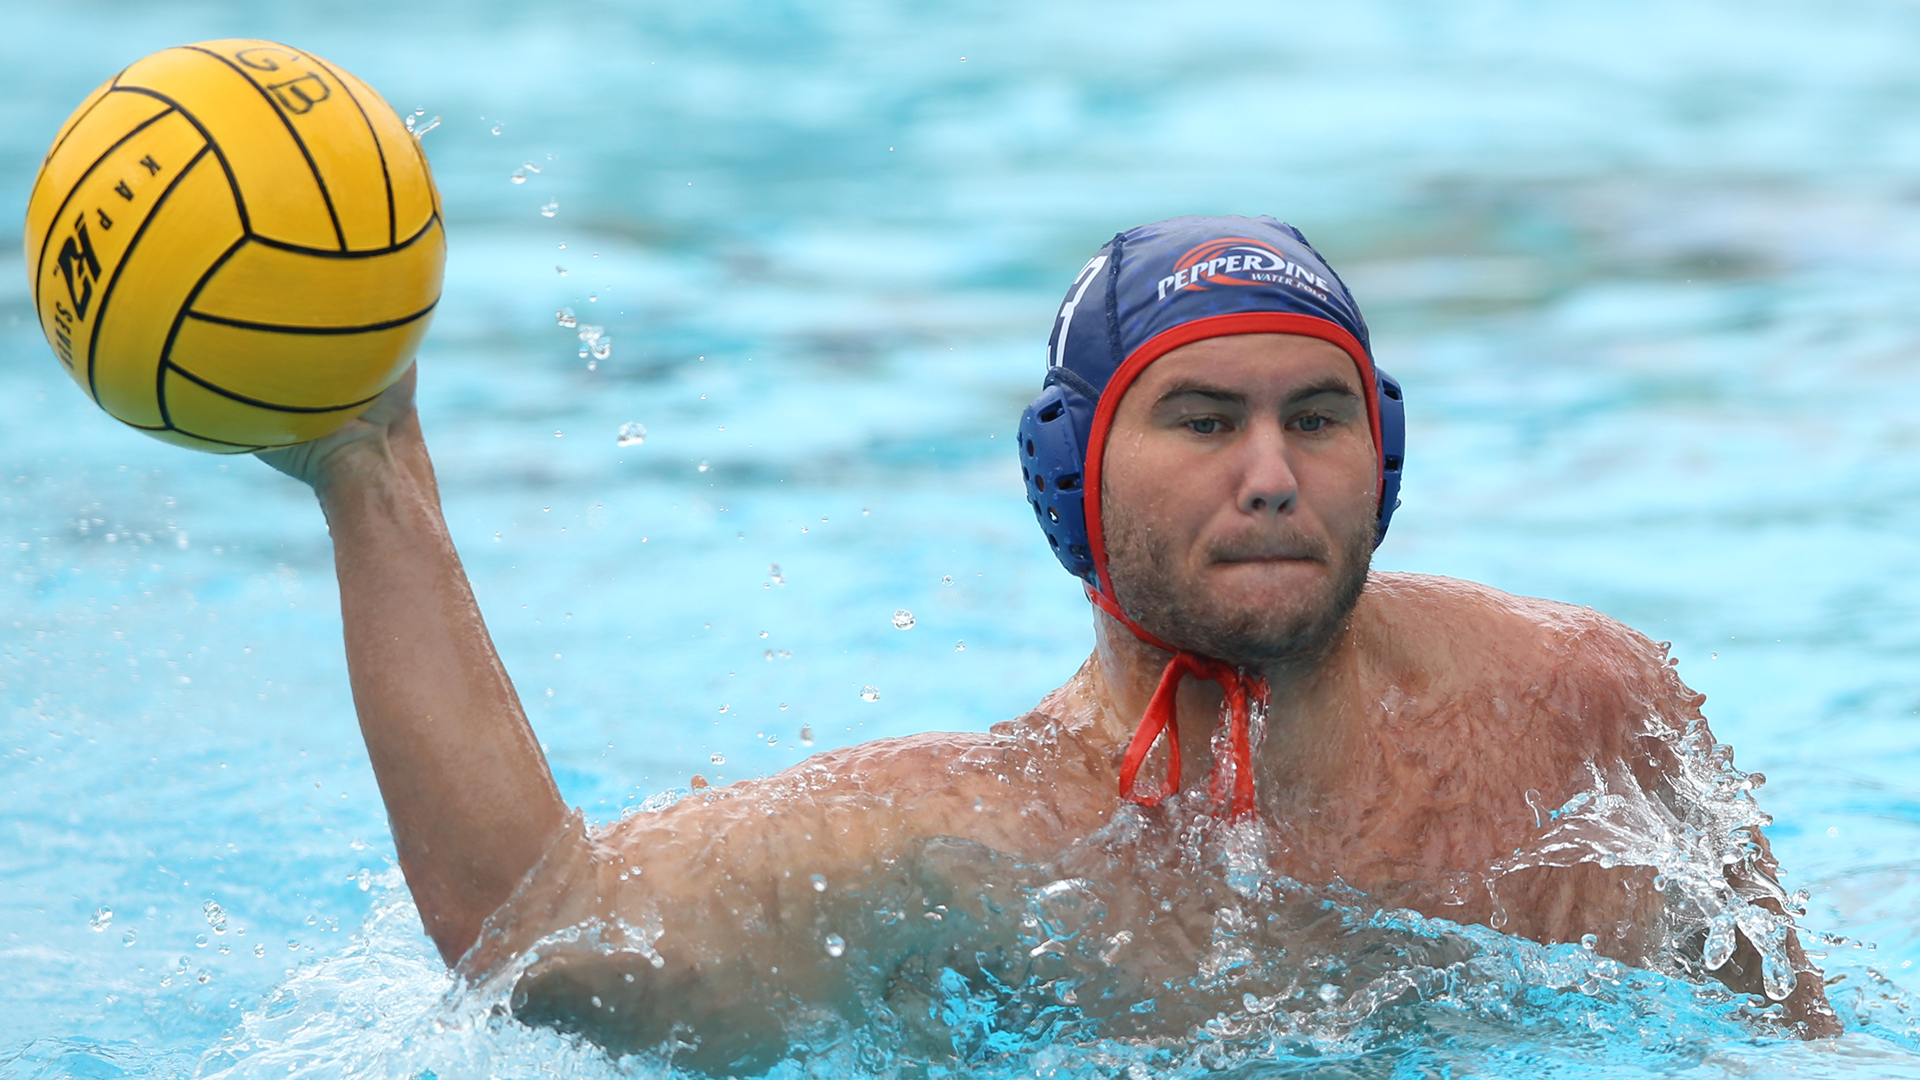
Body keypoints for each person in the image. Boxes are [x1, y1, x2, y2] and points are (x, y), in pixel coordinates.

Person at [259, 215, 1836, 1066]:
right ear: (1069, 475)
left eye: (1319, 417)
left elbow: (1798, 1042)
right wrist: (367, 467)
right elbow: (542, 931)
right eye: (1205, 420)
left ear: (1387, 456)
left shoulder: (1583, 700)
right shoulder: (963, 841)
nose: (1273, 472)